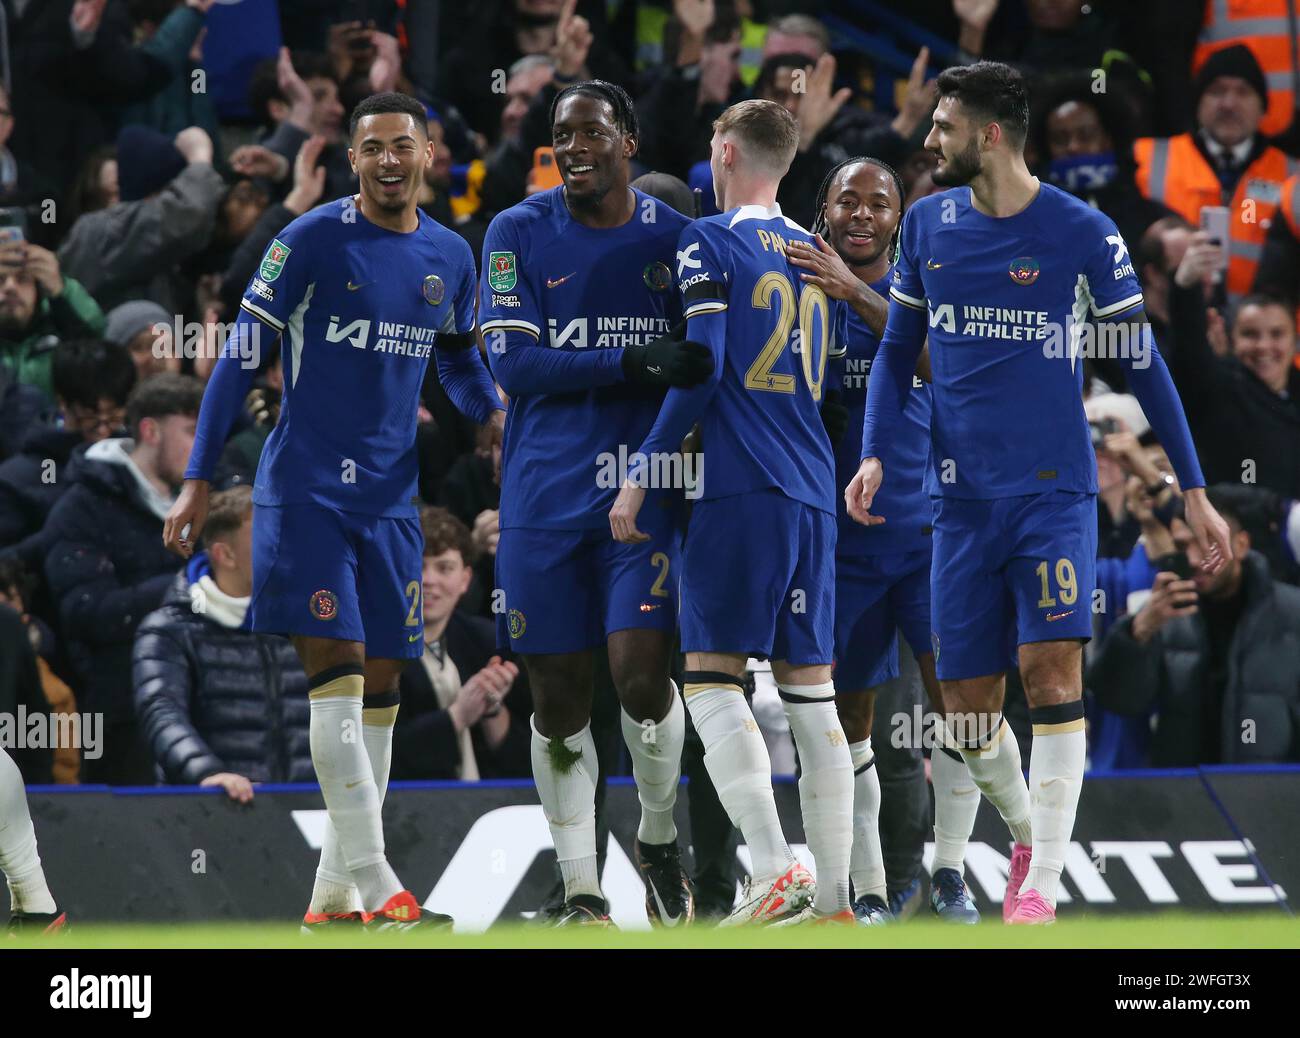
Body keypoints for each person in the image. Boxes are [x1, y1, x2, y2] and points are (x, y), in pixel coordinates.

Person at [845, 61, 1233, 925]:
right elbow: (894, 351)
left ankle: (1043, 886)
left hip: (1054, 496)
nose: (928, 140)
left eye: (942, 126)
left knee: (1051, 669)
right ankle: (1028, 832)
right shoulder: (929, 227)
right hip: (958, 505)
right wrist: (875, 453)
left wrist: (1196, 488)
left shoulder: (1083, 234)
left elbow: (1142, 364)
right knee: (968, 714)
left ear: (988, 135)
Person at [165, 91, 505, 932]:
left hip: (392, 504)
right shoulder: (309, 239)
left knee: (384, 689)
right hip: (307, 493)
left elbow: (456, 368)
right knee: (341, 674)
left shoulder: (451, 256)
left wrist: (494, 409)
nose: (389, 160)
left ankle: (330, 897)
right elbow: (240, 359)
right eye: (372, 148)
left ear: (429, 155)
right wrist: (199, 478)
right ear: (352, 160)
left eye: (404, 146)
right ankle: (384, 883)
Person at [610, 98, 855, 926]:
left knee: (711, 678)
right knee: (811, 693)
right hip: (813, 488)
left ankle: (777, 864)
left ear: (720, 150)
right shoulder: (814, 249)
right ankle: (834, 902)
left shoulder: (706, 241)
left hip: (740, 483)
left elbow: (705, 363)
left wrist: (642, 471)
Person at [480, 79, 708, 928]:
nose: (573, 148)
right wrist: (631, 364)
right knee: (558, 699)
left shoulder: (681, 242)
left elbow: (702, 365)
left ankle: (654, 839)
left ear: (628, 140)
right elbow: (514, 364)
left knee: (643, 679)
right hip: (542, 499)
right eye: (560, 136)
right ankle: (582, 890)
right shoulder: (515, 233)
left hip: (641, 499)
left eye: (590, 133)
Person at [787, 156, 985, 925]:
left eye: (878, 203)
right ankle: (867, 890)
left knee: (963, 710)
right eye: (847, 200)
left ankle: (951, 870)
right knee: (848, 727)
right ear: (824, 209)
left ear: (900, 218)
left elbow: (943, 366)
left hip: (930, 537)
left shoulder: (927, 280)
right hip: (837, 550)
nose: (862, 213)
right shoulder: (793, 287)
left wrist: (857, 293)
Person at [44, 373, 202, 784]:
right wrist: (185, 586)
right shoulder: (82, 507)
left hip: (208, 703)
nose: (205, 447)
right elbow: (88, 614)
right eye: (191, 432)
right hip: (121, 716)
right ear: (149, 430)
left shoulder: (205, 503)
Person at [1088, 491, 1300, 765]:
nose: (1192, 559)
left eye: (1205, 543)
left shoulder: (1291, 613)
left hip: (1272, 795)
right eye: (1183, 545)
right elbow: (1120, 702)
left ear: (1242, 544)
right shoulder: (1164, 612)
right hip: (1180, 796)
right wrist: (1136, 633)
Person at [134, 485, 313, 794]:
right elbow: (161, 711)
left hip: (310, 812)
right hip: (211, 813)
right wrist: (207, 773)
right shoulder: (171, 630)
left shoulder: (308, 624)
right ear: (224, 554)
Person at [1133, 45, 1300, 306]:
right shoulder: (1145, 158)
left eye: (1243, 92)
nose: (1229, 103)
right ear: (1197, 103)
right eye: (1216, 91)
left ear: (1263, 107)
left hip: (1262, 337)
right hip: (1166, 328)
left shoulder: (1293, 176)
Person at [392, 507, 532, 780]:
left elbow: (525, 765)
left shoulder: (490, 642)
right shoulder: (371, 650)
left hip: (489, 809)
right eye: (418, 566)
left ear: (465, 579)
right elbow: (375, 754)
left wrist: (490, 707)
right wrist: (457, 715)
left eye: (444, 568)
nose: (429, 580)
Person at [1169, 231, 1300, 498]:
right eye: (1250, 334)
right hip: (1238, 531)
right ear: (1232, 339)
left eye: (1277, 334)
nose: (1264, 346)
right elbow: (1189, 349)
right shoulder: (1220, 387)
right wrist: (1186, 286)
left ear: (1294, 341)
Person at [57, 125, 225, 315]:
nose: (114, 210)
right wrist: (199, 158)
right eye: (106, 197)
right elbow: (190, 212)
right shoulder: (95, 232)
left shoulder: (160, 255)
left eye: (119, 194)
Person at [0, 338, 136, 571]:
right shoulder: (23, 477)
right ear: (63, 403)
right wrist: (62, 532)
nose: (103, 430)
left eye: (114, 417)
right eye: (90, 418)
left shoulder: (137, 459)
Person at [0, 238, 106, 400]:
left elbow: (95, 337)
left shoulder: (60, 328)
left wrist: (60, 288)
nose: (10, 287)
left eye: (22, 279)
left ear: (38, 289)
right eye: (0, 280)